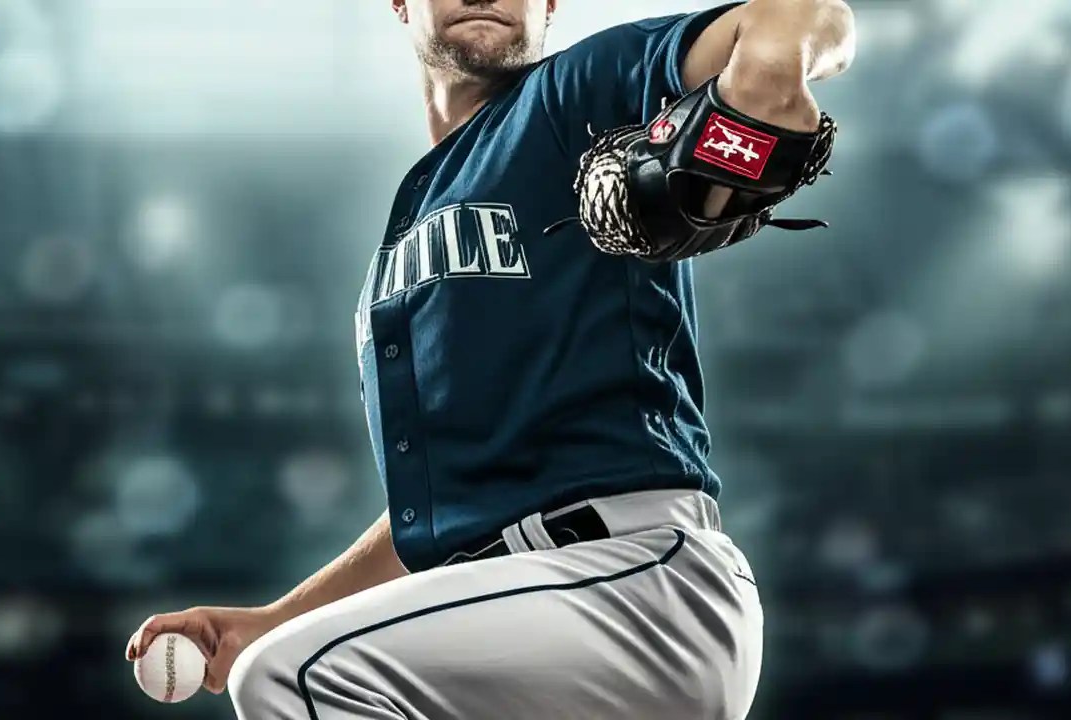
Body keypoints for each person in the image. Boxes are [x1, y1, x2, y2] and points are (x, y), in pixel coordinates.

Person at [125, 1, 855, 717]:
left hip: (629, 584)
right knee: (282, 651)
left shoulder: (576, 94)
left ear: (549, 5)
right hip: (509, 620)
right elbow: (444, 521)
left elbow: (804, 15)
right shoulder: (407, 235)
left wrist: (761, 77)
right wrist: (275, 616)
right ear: (401, 5)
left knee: (291, 678)